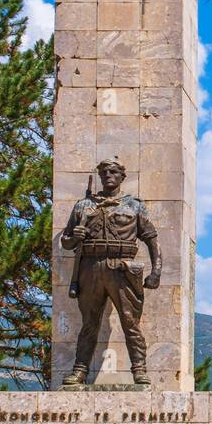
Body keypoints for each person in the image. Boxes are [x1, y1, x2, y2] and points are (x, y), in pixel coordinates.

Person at [59, 159, 161, 387]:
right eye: (103, 172)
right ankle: (79, 370)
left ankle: (139, 370)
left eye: (113, 172)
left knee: (130, 321)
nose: (108, 176)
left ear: (122, 177)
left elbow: (151, 238)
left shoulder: (134, 206)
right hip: (90, 267)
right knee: (89, 322)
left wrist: (157, 271)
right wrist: (76, 236)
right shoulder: (83, 205)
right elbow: (66, 242)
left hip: (123, 268)